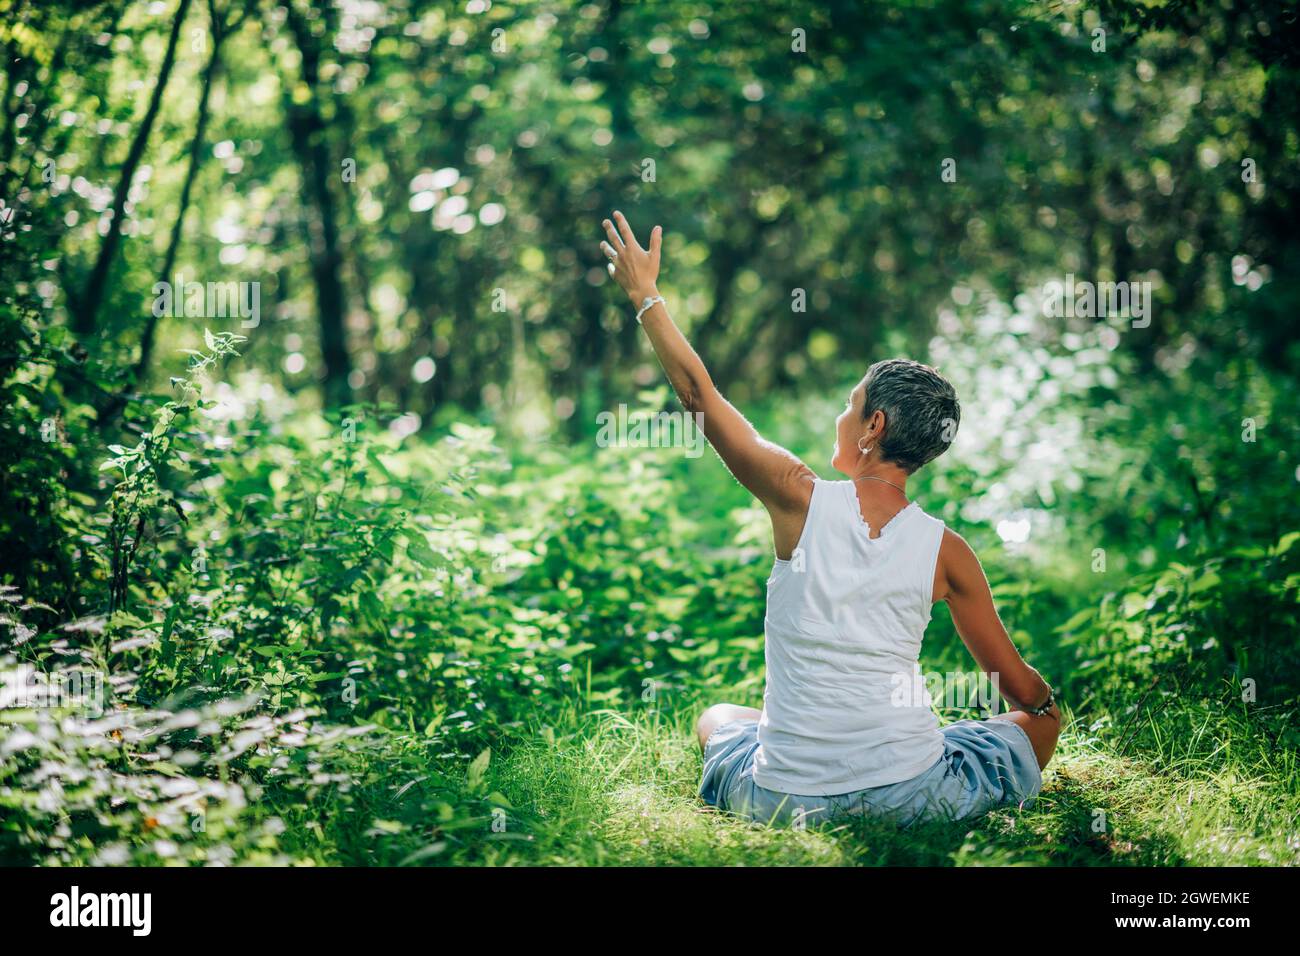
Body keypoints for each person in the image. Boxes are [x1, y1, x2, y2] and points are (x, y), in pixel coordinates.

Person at [599, 210, 1060, 827]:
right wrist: (1043, 703)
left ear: (875, 427)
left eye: (851, 405)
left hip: (784, 801)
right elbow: (1018, 689)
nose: (840, 417)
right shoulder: (948, 552)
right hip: (913, 797)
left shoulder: (798, 497)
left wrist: (645, 296)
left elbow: (698, 399)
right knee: (1026, 725)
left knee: (718, 718)